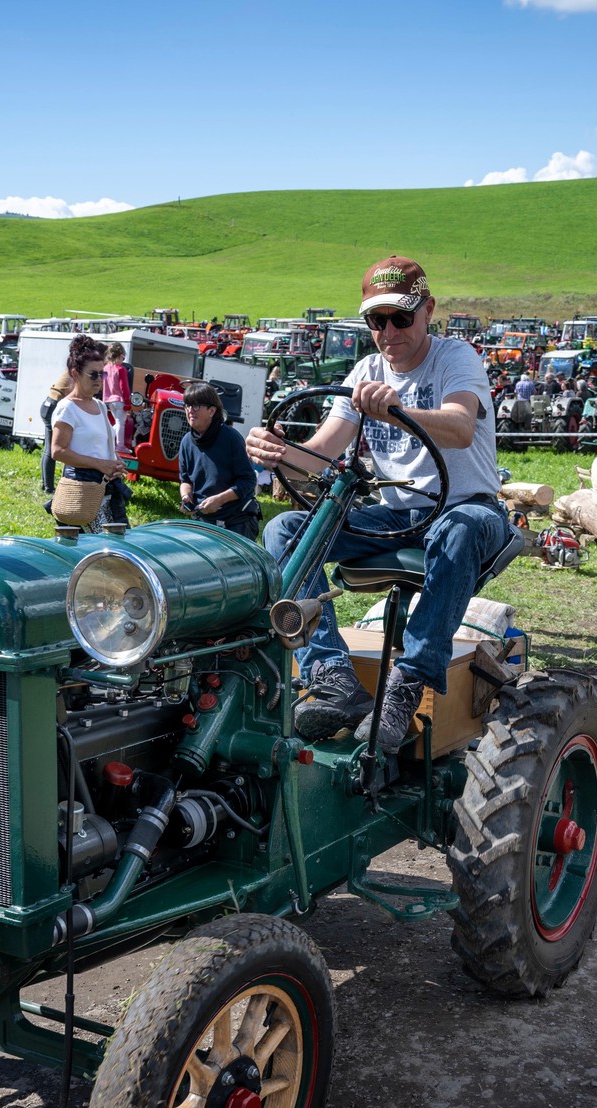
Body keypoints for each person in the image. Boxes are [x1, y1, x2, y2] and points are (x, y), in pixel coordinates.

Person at [247, 256, 513, 746]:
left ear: (428, 311)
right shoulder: (366, 369)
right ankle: (332, 675)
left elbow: (459, 427)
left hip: (468, 509)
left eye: (400, 317)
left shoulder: (456, 359)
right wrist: (279, 452)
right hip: (397, 515)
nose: (388, 331)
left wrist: (398, 412)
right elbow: (323, 451)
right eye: (376, 319)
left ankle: (408, 683)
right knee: (283, 530)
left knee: (459, 528)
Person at [49, 334, 129, 532]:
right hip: (84, 492)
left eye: (102, 374)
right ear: (75, 374)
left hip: (108, 491)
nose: (99, 380)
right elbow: (57, 451)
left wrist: (115, 461)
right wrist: (101, 464)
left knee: (119, 546)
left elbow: (100, 445)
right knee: (103, 548)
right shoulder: (67, 408)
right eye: (93, 374)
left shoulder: (100, 405)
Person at [176, 381, 260, 538]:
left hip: (236, 521)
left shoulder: (231, 438)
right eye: (187, 405)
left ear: (212, 411)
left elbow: (248, 481)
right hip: (203, 520)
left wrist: (219, 500)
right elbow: (185, 480)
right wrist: (186, 496)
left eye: (196, 405)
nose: (190, 410)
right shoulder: (186, 441)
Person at [100, 342, 133, 454]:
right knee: (120, 423)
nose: (123, 360)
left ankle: (105, 438)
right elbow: (124, 387)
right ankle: (120, 445)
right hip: (119, 400)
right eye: (123, 357)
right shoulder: (121, 369)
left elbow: (103, 383)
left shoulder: (105, 368)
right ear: (119, 356)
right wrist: (128, 402)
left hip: (109, 400)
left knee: (118, 422)